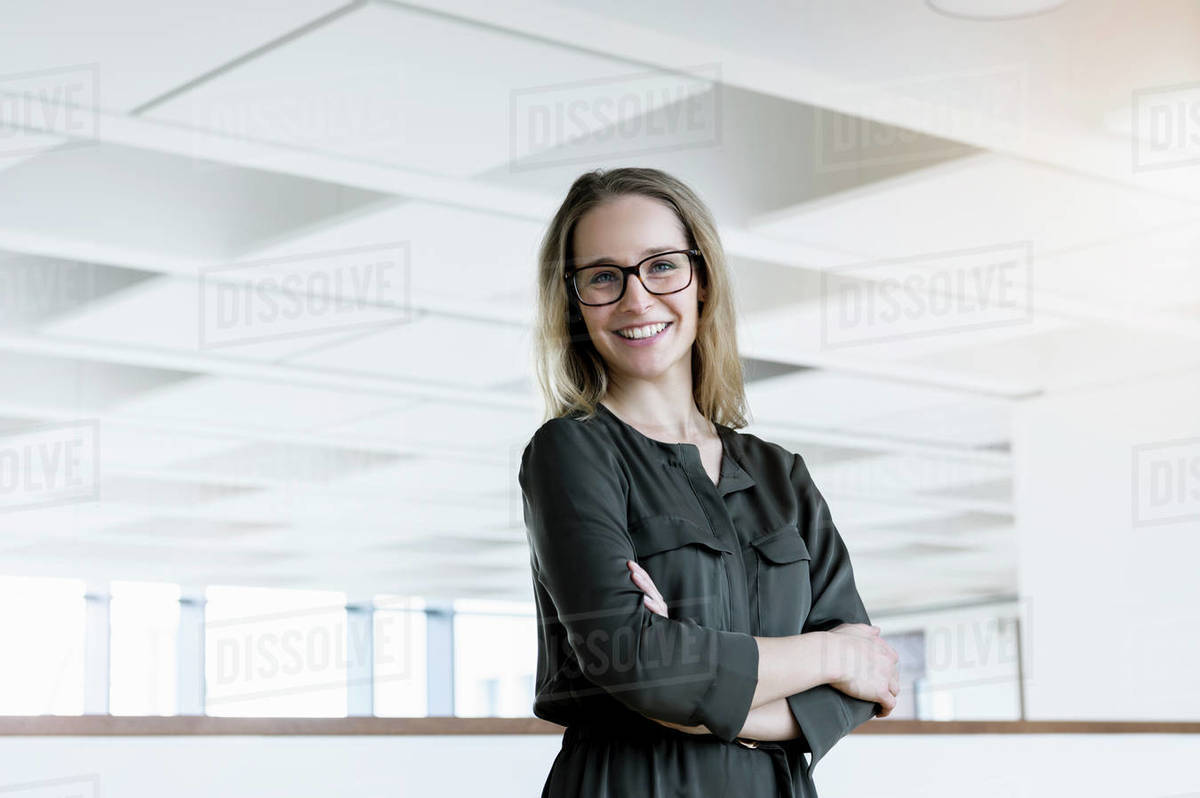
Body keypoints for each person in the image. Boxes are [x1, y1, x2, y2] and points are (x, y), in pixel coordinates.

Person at [518, 167, 900, 798]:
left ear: (702, 278)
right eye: (603, 276)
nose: (637, 299)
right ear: (573, 301)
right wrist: (830, 657)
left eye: (662, 265)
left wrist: (692, 701)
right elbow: (638, 662)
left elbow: (868, 687)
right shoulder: (571, 453)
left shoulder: (781, 474)